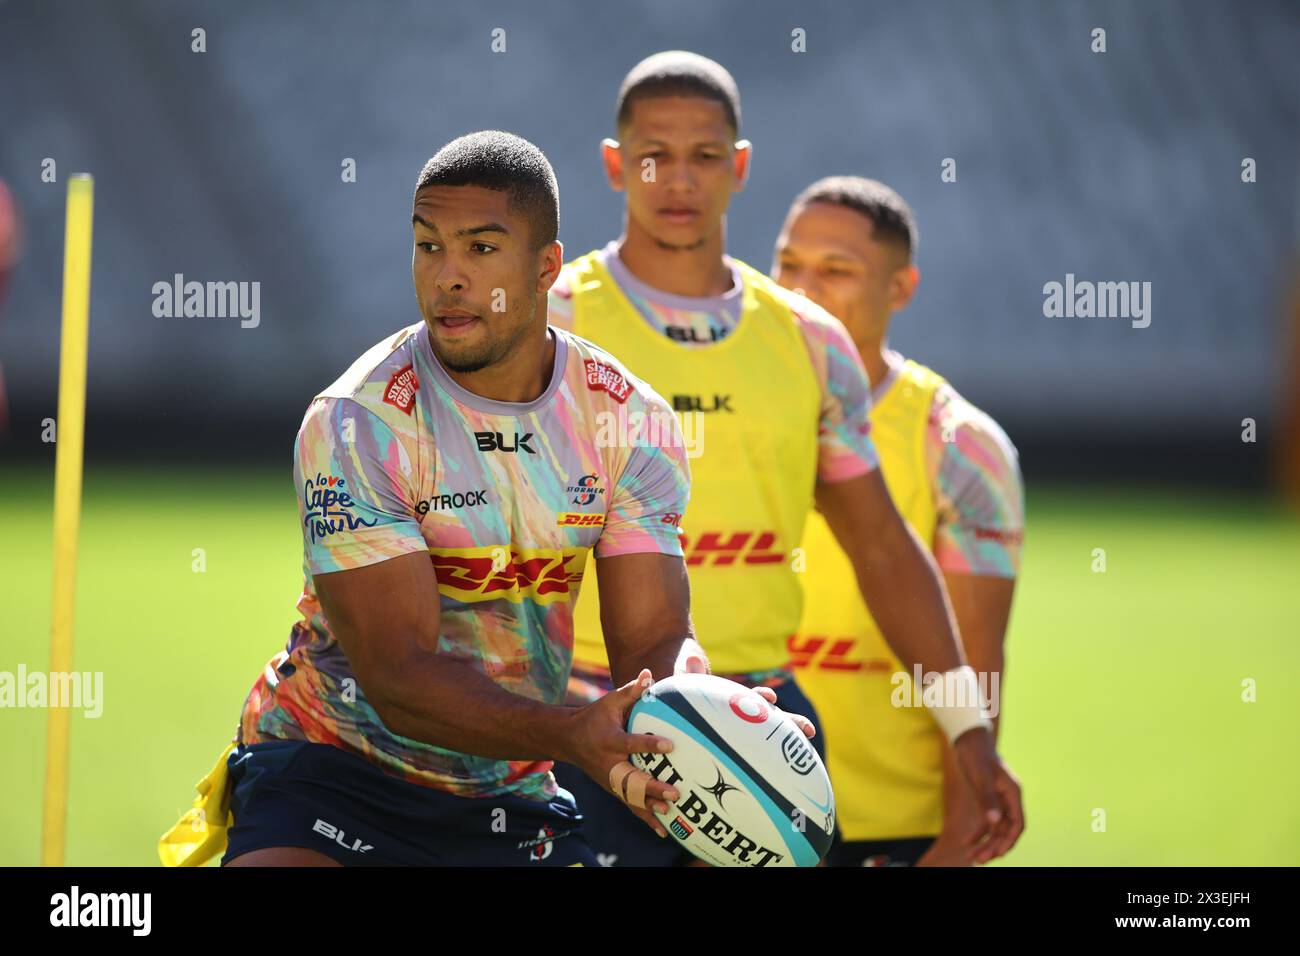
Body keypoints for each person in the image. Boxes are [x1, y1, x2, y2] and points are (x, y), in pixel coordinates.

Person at [159, 130, 755, 867]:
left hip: (506, 795)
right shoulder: (359, 423)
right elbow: (398, 675)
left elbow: (653, 639)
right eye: (428, 244)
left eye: (479, 248)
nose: (447, 276)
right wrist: (572, 735)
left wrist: (698, 708)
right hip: (328, 770)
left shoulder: (629, 420)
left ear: (545, 268)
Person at [547, 51, 1024, 866]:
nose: (678, 178)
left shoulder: (808, 339)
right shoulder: (553, 317)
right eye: (654, 155)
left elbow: (883, 550)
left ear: (739, 167)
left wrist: (968, 729)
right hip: (587, 715)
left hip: (763, 725)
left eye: (705, 156)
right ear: (615, 163)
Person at [774, 176, 1025, 866]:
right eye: (788, 263)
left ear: (901, 288)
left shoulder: (960, 445)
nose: (800, 289)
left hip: (889, 835)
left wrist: (952, 846)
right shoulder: (727, 408)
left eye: (836, 271)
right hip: (731, 811)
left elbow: (979, 664)